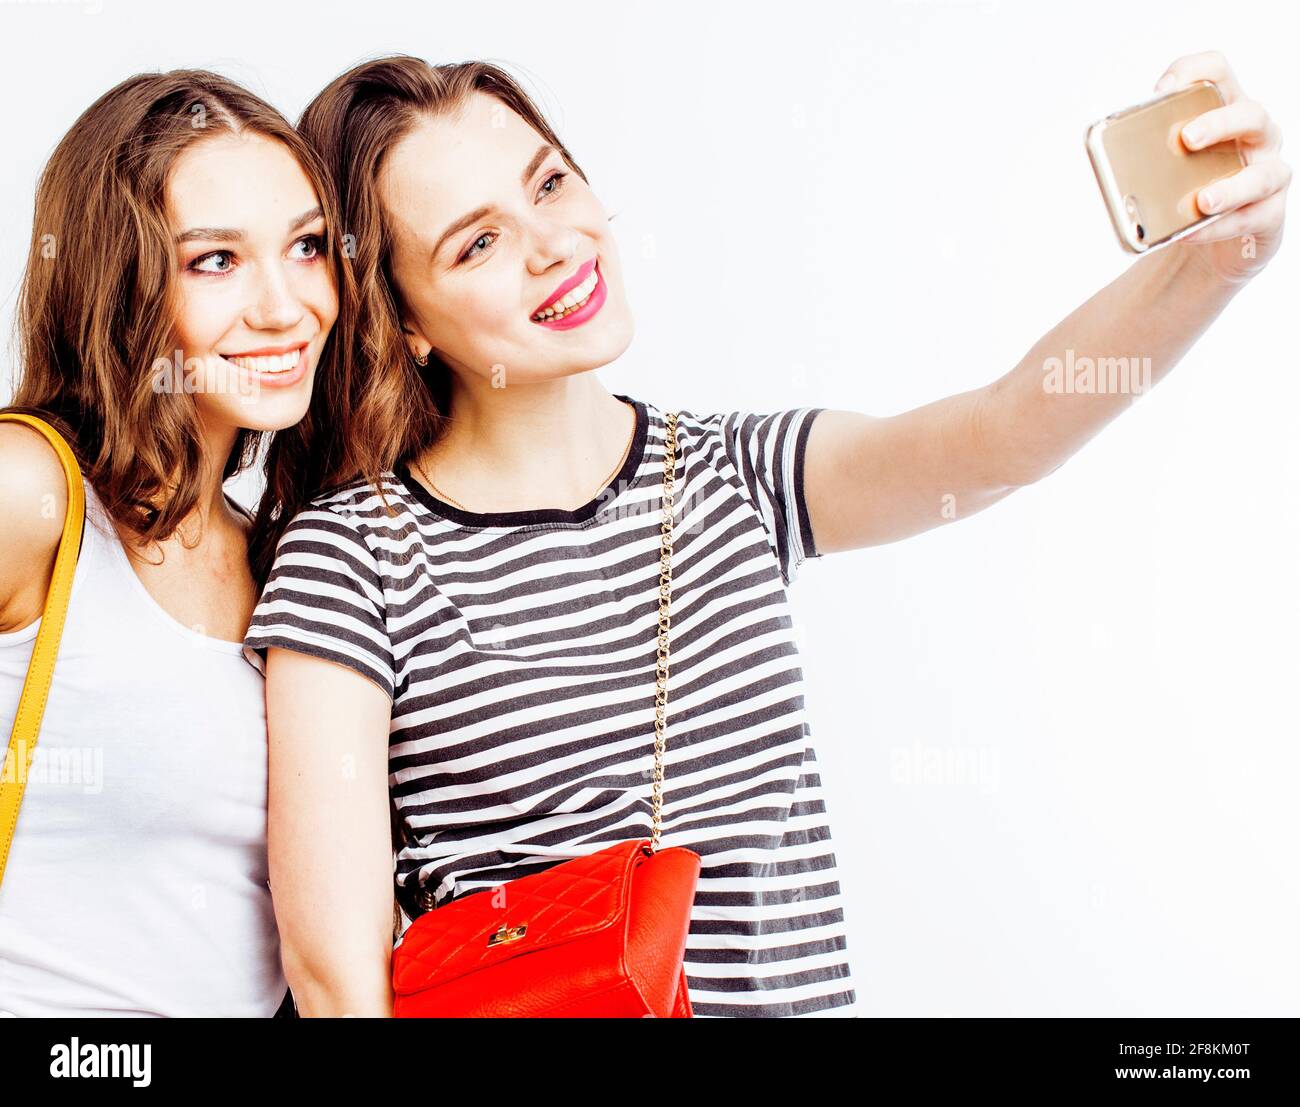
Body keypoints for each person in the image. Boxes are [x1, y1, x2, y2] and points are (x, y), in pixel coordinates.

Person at [242, 51, 1288, 1017]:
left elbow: (1002, 434)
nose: (553, 246)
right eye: (477, 243)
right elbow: (336, 977)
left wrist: (1219, 260)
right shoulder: (355, 554)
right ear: (405, 321)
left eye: (550, 185)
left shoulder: (734, 474)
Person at [0, 69, 346, 1016]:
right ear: (120, 286)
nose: (285, 307)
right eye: (215, 261)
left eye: (308, 247)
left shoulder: (290, 555)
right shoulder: (31, 492)